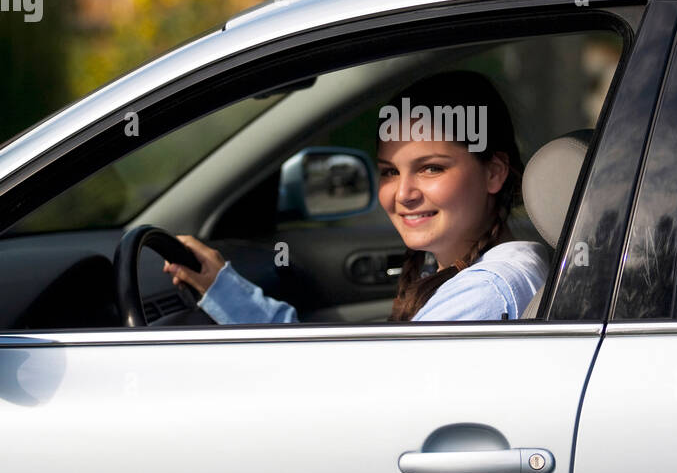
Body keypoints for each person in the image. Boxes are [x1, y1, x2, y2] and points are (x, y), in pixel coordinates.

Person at [163, 70, 549, 323]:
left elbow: (362, 402)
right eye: (389, 172)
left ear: (494, 172)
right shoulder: (493, 270)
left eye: (431, 168)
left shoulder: (482, 295)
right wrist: (223, 288)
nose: (404, 194)